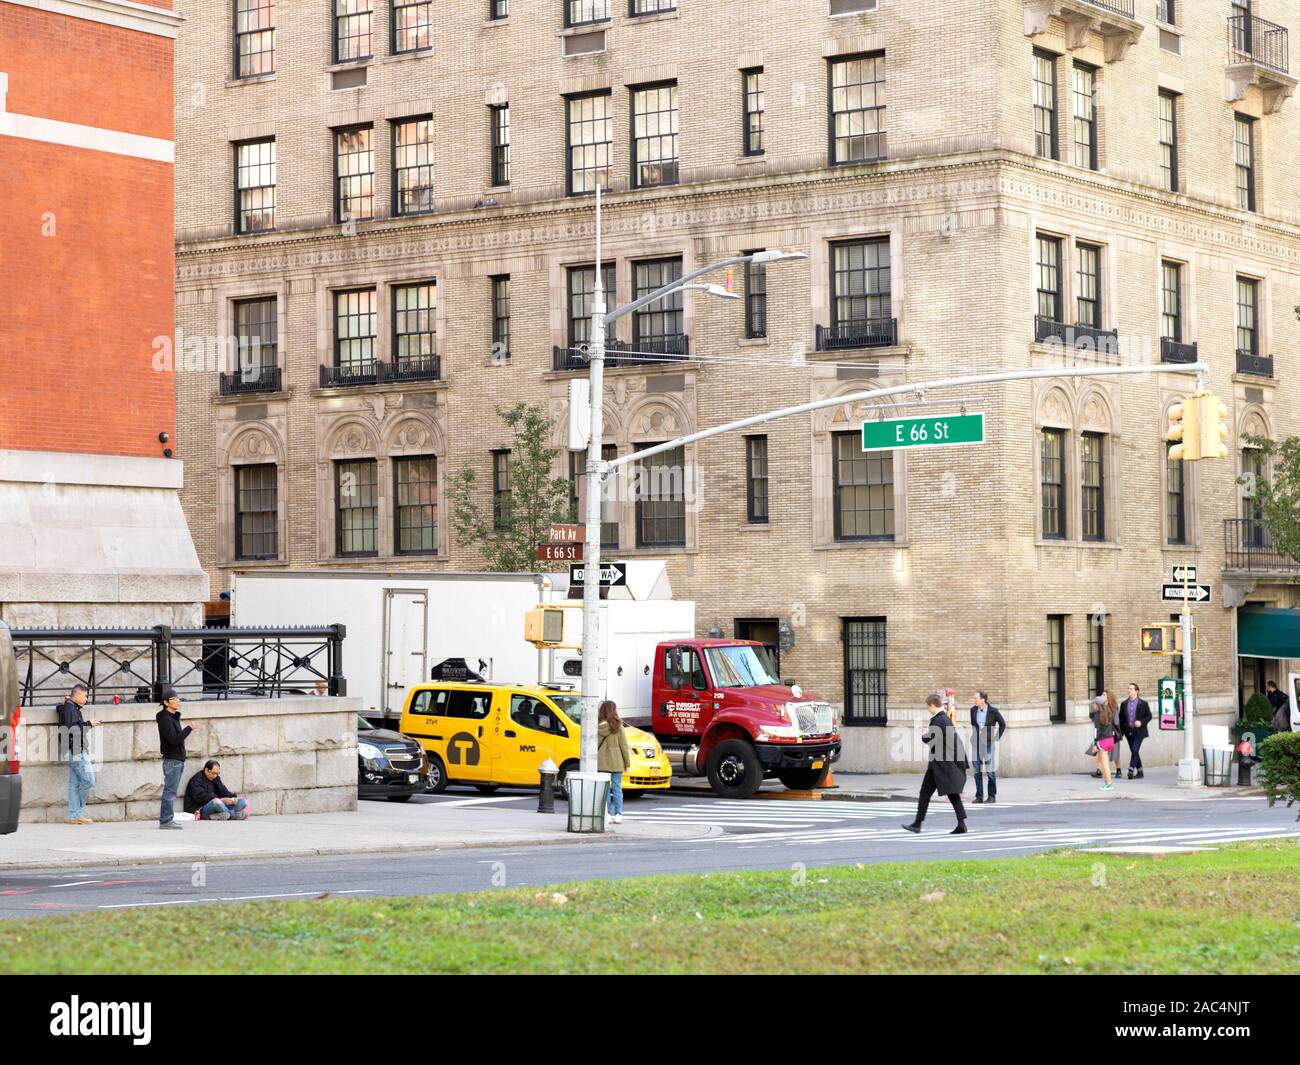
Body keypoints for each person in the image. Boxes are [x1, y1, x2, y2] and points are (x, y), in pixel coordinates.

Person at [904, 694, 970, 834]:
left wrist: (923, 735)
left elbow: (931, 739)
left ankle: (917, 824)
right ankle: (961, 824)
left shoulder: (938, 720)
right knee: (952, 793)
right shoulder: (944, 718)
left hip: (940, 764)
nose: (927, 709)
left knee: (925, 793)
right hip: (943, 763)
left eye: (928, 706)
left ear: (933, 705)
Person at [57, 683, 99, 824]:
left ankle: (75, 816)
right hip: (74, 751)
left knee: (74, 784)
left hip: (75, 750)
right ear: (78, 694)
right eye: (85, 696)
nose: (86, 699)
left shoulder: (70, 707)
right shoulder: (70, 709)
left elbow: (61, 711)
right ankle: (76, 811)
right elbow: (72, 729)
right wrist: (88, 724)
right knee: (88, 780)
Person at [156, 687, 192, 830]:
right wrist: (188, 728)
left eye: (178, 698)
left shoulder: (172, 717)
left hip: (177, 759)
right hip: (172, 760)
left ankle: (167, 819)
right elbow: (173, 740)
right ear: (166, 702)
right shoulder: (165, 718)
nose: (178, 701)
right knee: (170, 792)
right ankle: (165, 821)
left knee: (171, 791)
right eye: (174, 699)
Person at [596, 699, 631, 825]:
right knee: (617, 788)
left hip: (601, 762)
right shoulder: (619, 726)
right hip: (617, 761)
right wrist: (627, 764)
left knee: (604, 790)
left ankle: (606, 814)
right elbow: (624, 747)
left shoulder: (597, 726)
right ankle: (618, 814)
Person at [969, 691, 1006, 805]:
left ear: (983, 699)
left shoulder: (993, 711)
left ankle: (991, 796)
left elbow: (1002, 724)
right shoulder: (973, 710)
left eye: (976, 698)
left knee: (990, 771)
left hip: (989, 744)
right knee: (977, 771)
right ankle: (979, 796)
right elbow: (973, 724)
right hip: (976, 743)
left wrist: (996, 737)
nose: (974, 700)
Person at [184, 760, 249, 820]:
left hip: (219, 805)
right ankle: (233, 815)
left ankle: (218, 815)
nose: (215, 776)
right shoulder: (196, 780)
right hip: (200, 809)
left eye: (217, 773)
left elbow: (223, 791)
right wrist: (222, 800)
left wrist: (232, 798)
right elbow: (200, 798)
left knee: (243, 802)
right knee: (216, 802)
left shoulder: (216, 778)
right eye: (213, 773)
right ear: (206, 770)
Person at [1117, 683, 1152, 779]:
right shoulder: (1124, 704)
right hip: (1128, 731)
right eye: (1128, 688)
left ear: (1137, 691)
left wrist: (1141, 722)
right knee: (1134, 751)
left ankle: (1131, 769)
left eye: (1131, 689)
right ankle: (1140, 771)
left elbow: (1149, 716)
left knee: (1135, 749)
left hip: (1139, 731)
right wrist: (1120, 732)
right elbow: (1121, 718)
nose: (1129, 690)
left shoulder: (1143, 703)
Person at [1090, 694, 1118, 791]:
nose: (1093, 705)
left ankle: (1109, 783)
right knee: (1101, 762)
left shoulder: (1097, 716)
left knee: (1104, 764)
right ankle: (1107, 782)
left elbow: (1097, 732)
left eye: (1094, 703)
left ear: (1097, 705)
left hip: (1103, 741)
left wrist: (1095, 745)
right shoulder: (1109, 713)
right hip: (1110, 739)